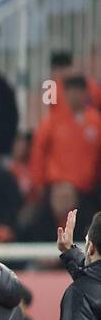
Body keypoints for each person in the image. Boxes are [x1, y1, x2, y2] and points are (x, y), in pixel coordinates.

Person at [28, 75, 101, 229]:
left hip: (87, 191)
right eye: (70, 91)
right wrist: (38, 183)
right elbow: (38, 152)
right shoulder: (52, 121)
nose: (74, 95)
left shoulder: (96, 122)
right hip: (55, 189)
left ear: (85, 93)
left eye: (78, 91)